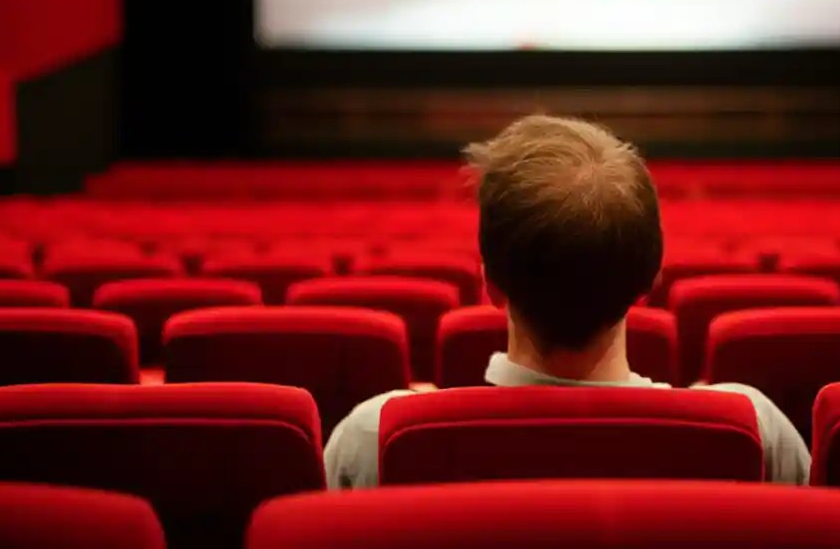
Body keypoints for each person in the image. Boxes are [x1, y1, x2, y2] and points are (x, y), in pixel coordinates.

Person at [324, 114, 810, 488]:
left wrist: (420, 415)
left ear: (490, 282)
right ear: (649, 281)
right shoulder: (752, 428)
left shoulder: (376, 436)